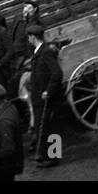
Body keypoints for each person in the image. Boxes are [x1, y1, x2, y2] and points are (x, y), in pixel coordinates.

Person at [26, 24, 62, 168]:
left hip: (45, 97)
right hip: (38, 96)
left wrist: (49, 90)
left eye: (29, 37)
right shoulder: (39, 51)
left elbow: (57, 73)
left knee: (48, 126)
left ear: (33, 37)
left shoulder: (45, 52)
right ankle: (46, 155)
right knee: (44, 126)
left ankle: (53, 157)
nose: (28, 39)